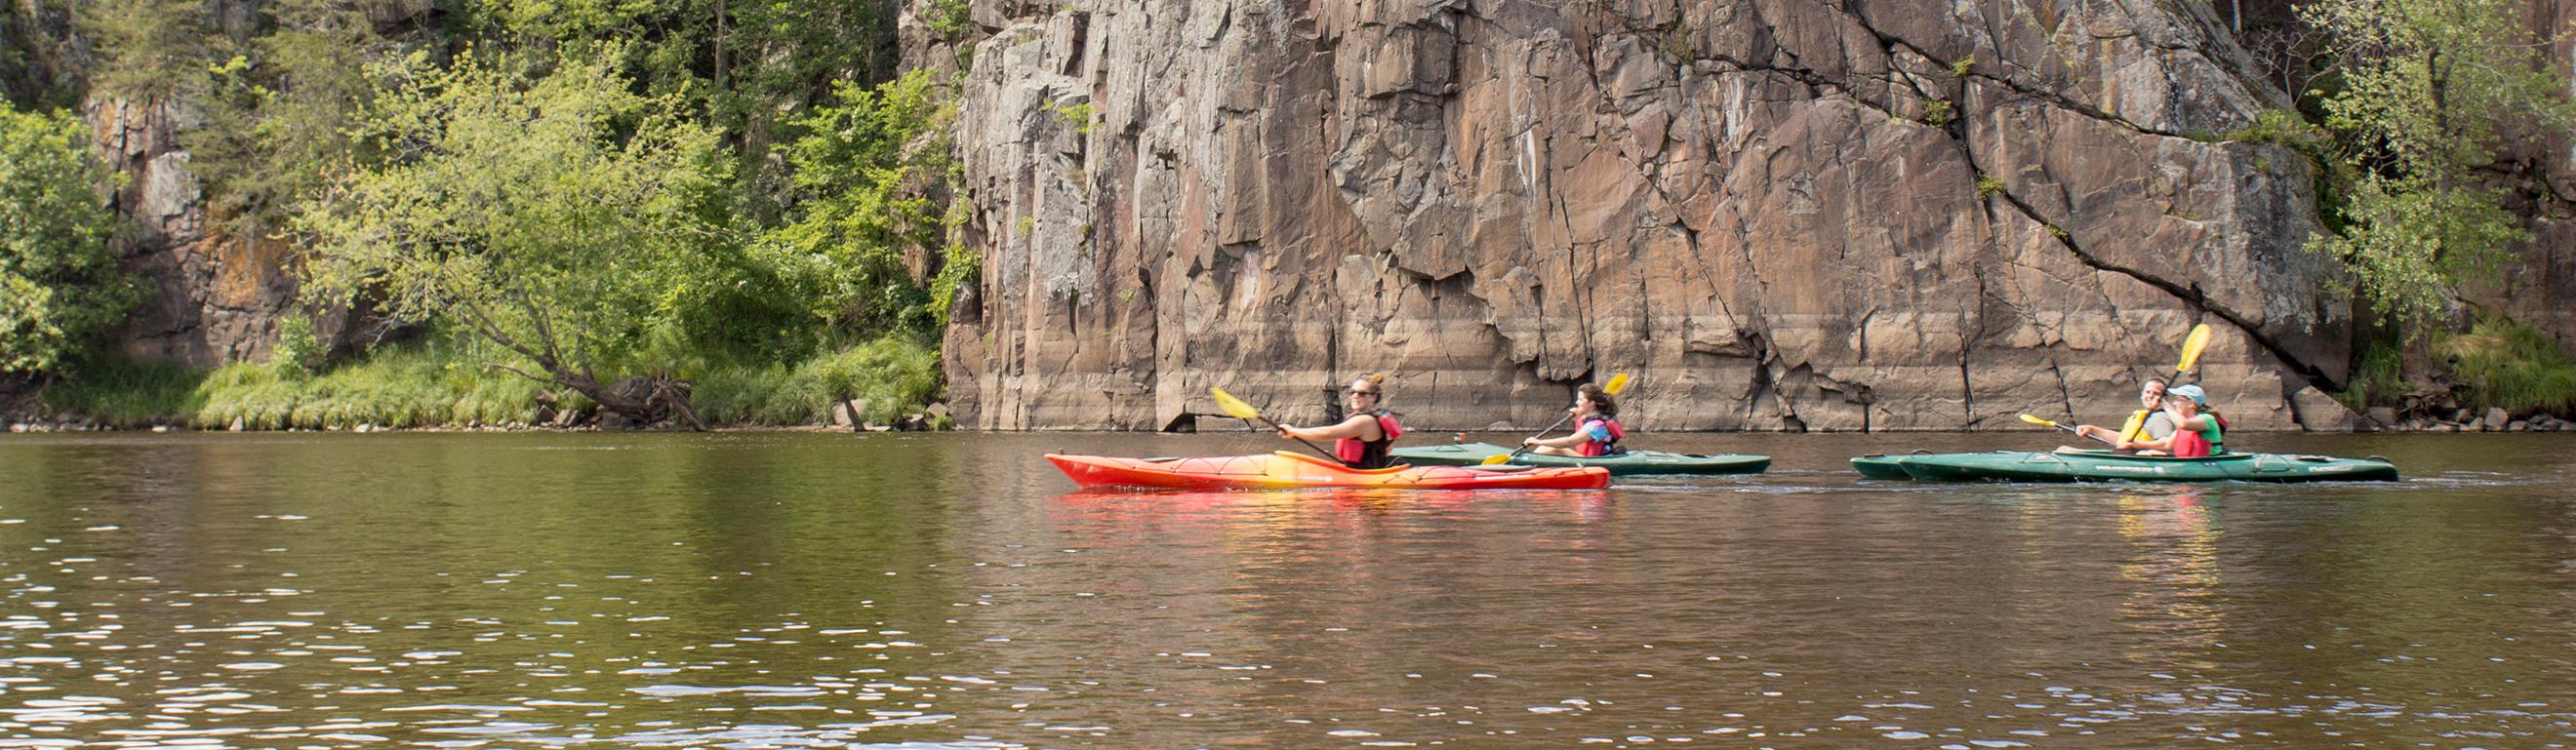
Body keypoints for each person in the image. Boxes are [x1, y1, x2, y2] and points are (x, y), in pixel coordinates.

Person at [1277, 374, 1405, 469]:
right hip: (1365, 474)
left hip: (1363, 481)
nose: (1355, 396)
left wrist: (1293, 431)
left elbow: (1329, 433)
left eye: (1361, 393)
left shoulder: (1364, 420)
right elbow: (1387, 449)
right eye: (1352, 392)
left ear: (1373, 397)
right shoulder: (1376, 418)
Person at [2117, 384, 2224, 457]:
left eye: (2178, 400)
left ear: (2191, 403)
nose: (2175, 403)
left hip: (2208, 463)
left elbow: (2183, 424)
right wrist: (2136, 444)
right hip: (2188, 463)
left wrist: (2164, 403)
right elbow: (2166, 445)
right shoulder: (2184, 423)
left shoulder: (2206, 419)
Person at [1521, 382, 1625, 457]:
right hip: (1584, 457)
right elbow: (1583, 424)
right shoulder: (1588, 419)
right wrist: (1578, 417)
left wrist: (1538, 442)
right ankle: (1529, 462)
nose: (1577, 402)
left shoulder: (1597, 426)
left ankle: (1526, 464)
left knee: (1551, 448)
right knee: (1546, 448)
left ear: (1592, 403)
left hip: (1590, 461)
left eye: (1580, 399)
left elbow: (1569, 441)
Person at [2073, 377, 2176, 452]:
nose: (2150, 396)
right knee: (2065, 450)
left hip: (2140, 462)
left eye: (2156, 393)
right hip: (2126, 456)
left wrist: (2136, 445)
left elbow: (2164, 443)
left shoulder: (2160, 418)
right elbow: (2123, 439)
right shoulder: (2141, 415)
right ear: (2142, 395)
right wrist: (2093, 430)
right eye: (2148, 392)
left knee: (2066, 450)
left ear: (2165, 399)